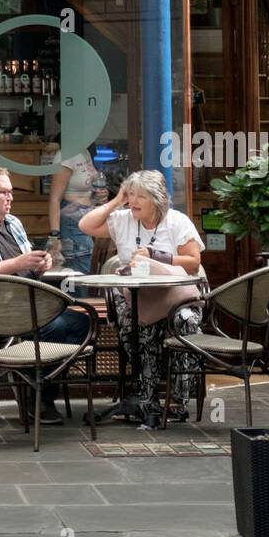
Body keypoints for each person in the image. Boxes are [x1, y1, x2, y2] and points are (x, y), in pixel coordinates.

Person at [0, 164, 90, 425]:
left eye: (11, 192)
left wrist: (40, 263)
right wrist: (17, 264)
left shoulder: (13, 223)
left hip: (30, 305)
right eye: (4, 192)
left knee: (83, 323)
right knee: (55, 329)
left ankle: (38, 388)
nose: (11, 198)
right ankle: (37, 399)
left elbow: (26, 265)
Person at [79, 169, 205, 425]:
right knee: (134, 324)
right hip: (138, 296)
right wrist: (116, 201)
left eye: (141, 197)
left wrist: (155, 255)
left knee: (185, 322)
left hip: (176, 296)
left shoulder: (176, 221)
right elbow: (86, 225)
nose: (133, 201)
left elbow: (193, 262)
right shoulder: (123, 219)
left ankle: (178, 399)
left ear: (157, 200)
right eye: (131, 195)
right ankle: (147, 397)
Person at [46, 146, 106, 277]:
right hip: (72, 221)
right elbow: (54, 199)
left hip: (87, 216)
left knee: (89, 268)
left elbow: (86, 189)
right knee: (80, 272)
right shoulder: (65, 156)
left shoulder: (84, 152)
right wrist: (55, 236)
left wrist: (98, 196)